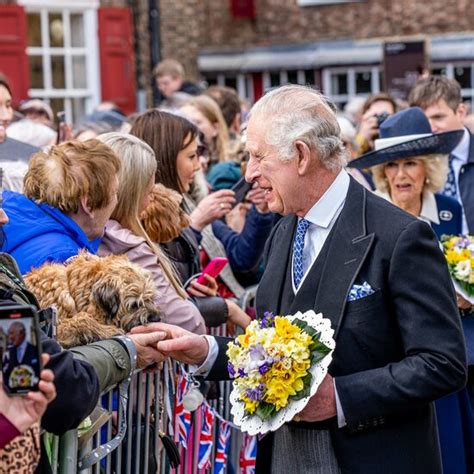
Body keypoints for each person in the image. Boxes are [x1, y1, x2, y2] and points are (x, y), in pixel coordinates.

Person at [136, 85, 467, 474]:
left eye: (258, 156)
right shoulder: (284, 230)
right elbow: (273, 350)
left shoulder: (400, 236)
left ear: (301, 155)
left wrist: (339, 398)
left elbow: (442, 363)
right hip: (284, 456)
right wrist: (206, 350)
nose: (250, 174)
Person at [348, 106, 474, 474]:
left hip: (446, 352)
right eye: (392, 166)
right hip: (396, 359)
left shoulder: (449, 210)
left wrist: (466, 295)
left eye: (411, 164)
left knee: (451, 453)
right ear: (382, 172)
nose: (401, 175)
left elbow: (463, 262)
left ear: (428, 168)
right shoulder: (371, 215)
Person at [96, 132, 208, 334]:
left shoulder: (75, 234)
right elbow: (189, 323)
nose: (149, 202)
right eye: (148, 193)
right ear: (132, 193)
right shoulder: (129, 247)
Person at [2, 139, 121, 274]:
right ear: (88, 204)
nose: (116, 201)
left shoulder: (8, 210)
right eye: (114, 192)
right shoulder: (64, 263)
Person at [409, 75, 474, 234]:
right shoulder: (413, 162)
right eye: (424, 120)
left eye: (438, 117)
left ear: (460, 112)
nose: (431, 128)